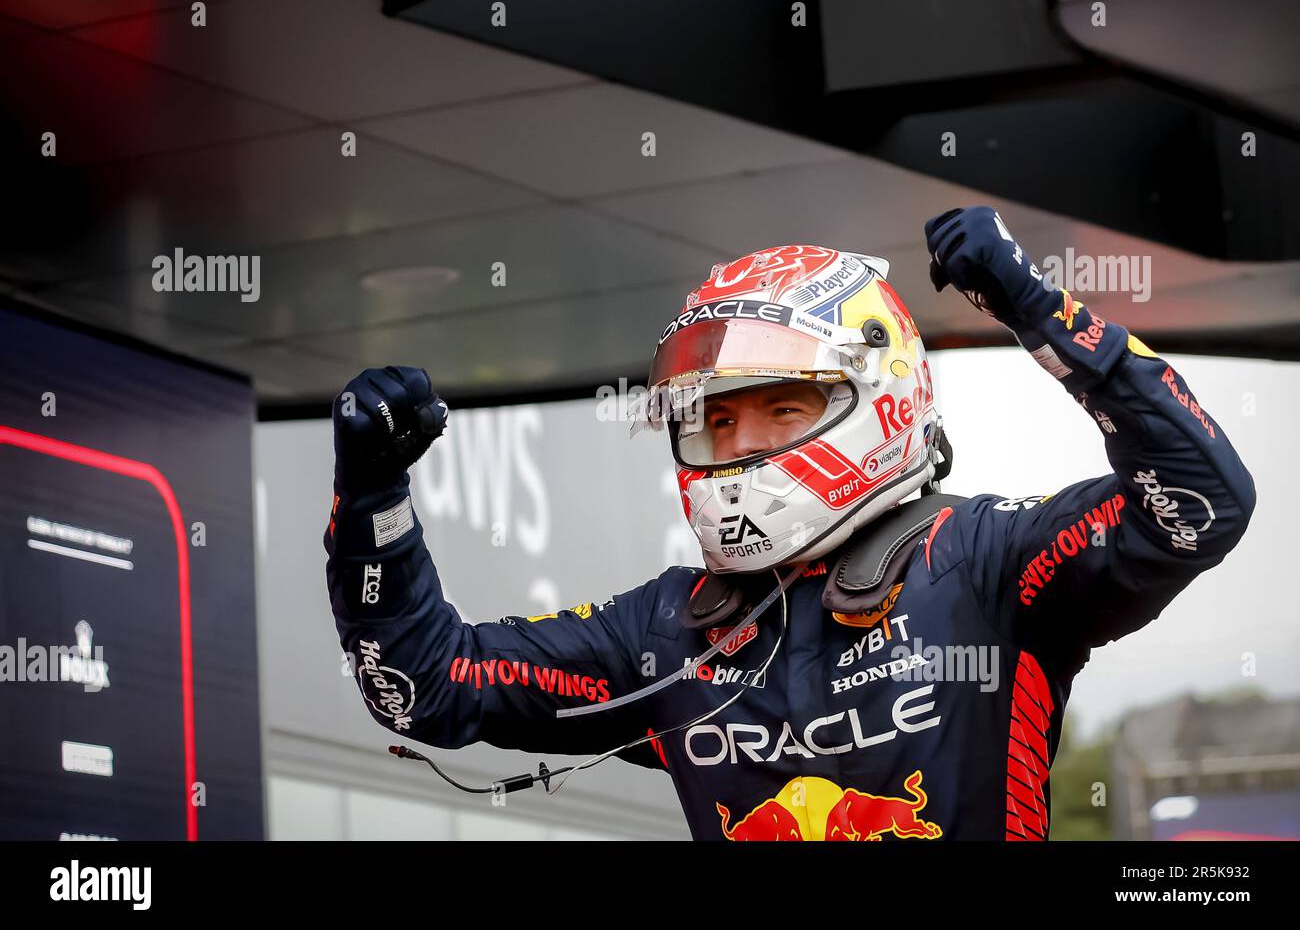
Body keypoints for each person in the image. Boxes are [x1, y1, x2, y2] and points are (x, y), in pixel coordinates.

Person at [325, 206, 1255, 840]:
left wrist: (1040, 311)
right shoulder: (669, 628)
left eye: (782, 409)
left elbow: (1200, 502)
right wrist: (373, 497)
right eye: (716, 420)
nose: (738, 445)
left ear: (878, 398)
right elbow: (424, 688)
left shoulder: (983, 559)